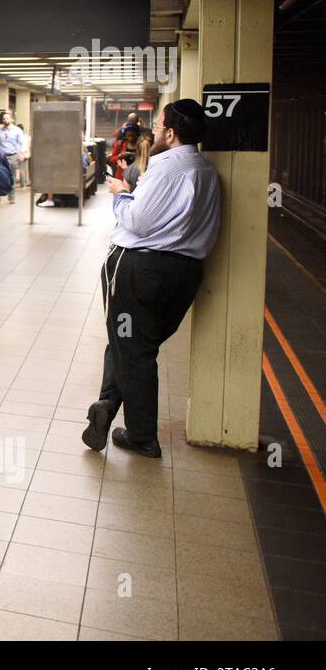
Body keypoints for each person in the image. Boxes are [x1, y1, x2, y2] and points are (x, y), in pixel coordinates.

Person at [80, 99, 221, 460]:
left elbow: (138, 221)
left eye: (158, 127)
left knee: (134, 349)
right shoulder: (206, 170)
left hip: (139, 271)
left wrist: (120, 194)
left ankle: (142, 435)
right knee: (132, 344)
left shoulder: (166, 169)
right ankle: (107, 407)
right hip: (184, 272)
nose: (154, 132)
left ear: (171, 134)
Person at [0, 111, 25, 204]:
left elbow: (22, 143)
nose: (5, 120)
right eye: (3, 118)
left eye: (7, 118)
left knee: (11, 177)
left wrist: (21, 153)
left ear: (11, 119)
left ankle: (11, 197)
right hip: (2, 157)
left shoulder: (17, 130)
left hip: (13, 156)